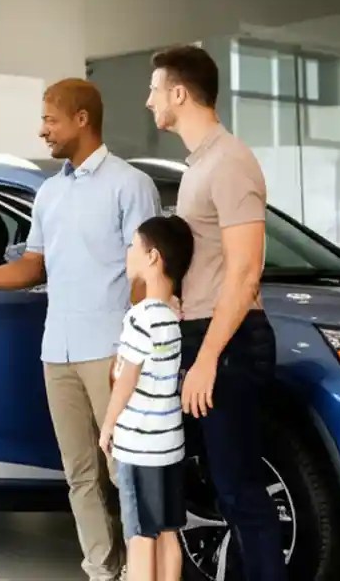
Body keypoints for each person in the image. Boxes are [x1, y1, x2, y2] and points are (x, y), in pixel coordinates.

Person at [0, 78, 161, 581]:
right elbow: (33, 266)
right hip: (59, 352)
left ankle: (147, 571)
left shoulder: (130, 184)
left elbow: (147, 275)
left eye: (50, 119)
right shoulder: (48, 193)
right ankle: (101, 570)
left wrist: (140, 353)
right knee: (80, 475)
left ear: (82, 119)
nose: (42, 129)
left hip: (113, 349)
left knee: (126, 473)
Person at [145, 45, 285, 581]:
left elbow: (246, 273)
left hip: (228, 342)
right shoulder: (198, 164)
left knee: (241, 490)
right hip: (201, 334)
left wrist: (206, 360)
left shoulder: (230, 160)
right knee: (219, 486)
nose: (149, 99)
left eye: (155, 88)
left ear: (179, 93)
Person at [99, 214, 194, 581]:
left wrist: (108, 425)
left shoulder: (140, 318)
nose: (128, 252)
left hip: (139, 446)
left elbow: (126, 379)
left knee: (139, 535)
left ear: (152, 257)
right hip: (170, 444)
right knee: (168, 531)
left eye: (133, 246)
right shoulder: (172, 316)